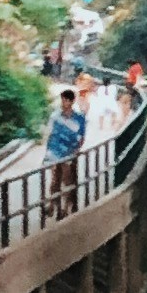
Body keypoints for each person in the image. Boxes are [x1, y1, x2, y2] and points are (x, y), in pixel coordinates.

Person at [44, 80, 85, 213]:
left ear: (71, 101)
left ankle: (66, 206)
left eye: (66, 101)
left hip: (69, 150)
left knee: (67, 179)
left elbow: (81, 135)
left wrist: (77, 149)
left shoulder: (79, 118)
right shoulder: (55, 116)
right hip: (55, 150)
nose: (63, 103)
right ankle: (52, 204)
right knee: (55, 178)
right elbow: (49, 132)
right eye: (62, 100)